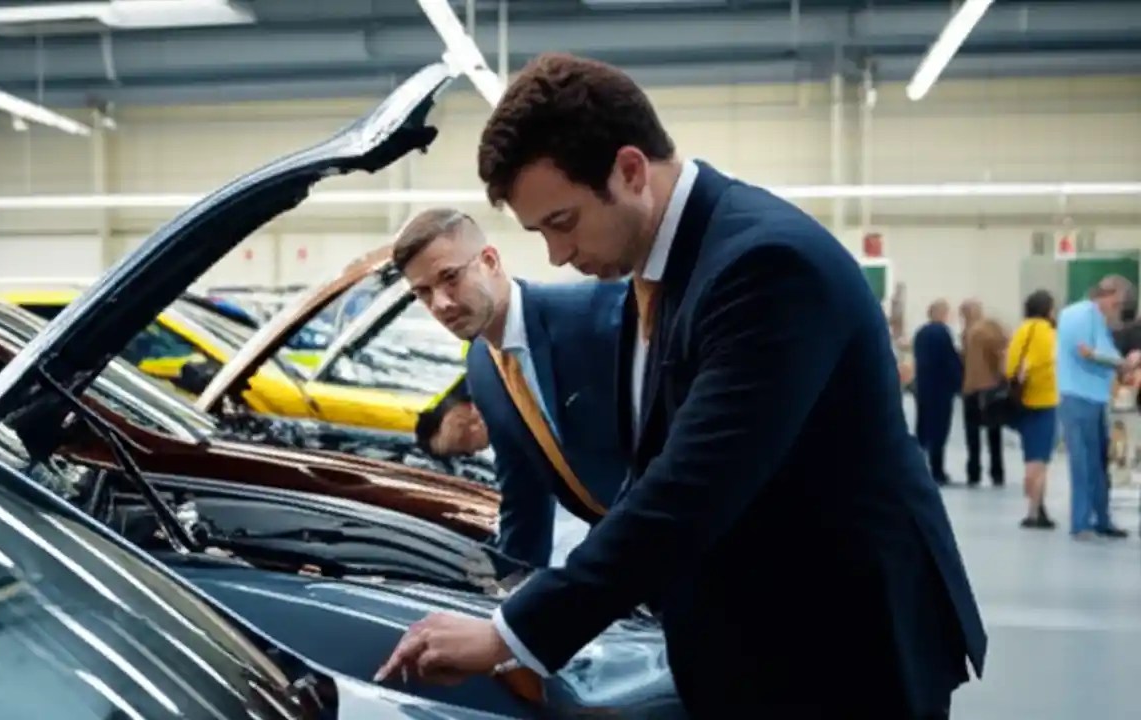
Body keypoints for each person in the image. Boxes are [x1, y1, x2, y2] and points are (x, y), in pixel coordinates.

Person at [376, 52, 985, 719]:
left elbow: (692, 484)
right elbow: (652, 466)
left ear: (631, 171)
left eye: (564, 222)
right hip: (754, 631)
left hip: (839, 647)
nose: (555, 256)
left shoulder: (762, 267)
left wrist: (511, 634)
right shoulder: (665, 272)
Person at [392, 207, 629, 568]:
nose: (439, 303)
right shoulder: (482, 365)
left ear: (490, 261)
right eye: (423, 292)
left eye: (450, 278)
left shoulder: (594, 313)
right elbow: (524, 496)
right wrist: (507, 589)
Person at [1055, 275, 1140, 540]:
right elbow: (1087, 352)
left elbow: (1102, 351)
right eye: (1118, 303)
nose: (1118, 310)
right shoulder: (1079, 315)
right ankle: (1081, 523)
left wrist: (1121, 365)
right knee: (1082, 463)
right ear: (1108, 293)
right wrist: (1124, 364)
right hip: (1077, 397)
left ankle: (1101, 518)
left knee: (1099, 463)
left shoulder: (1096, 318)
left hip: (1095, 397)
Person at [1006, 290, 1058, 529]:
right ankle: (1033, 512)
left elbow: (1011, 366)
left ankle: (1038, 507)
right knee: (1040, 460)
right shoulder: (1046, 332)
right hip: (1044, 400)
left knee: (1030, 456)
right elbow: (1035, 361)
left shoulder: (1022, 329)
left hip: (1022, 401)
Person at [914, 300, 963, 484]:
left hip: (924, 388)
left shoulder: (921, 333)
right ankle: (937, 471)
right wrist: (959, 383)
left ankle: (918, 469)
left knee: (924, 429)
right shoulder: (942, 333)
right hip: (941, 390)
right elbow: (950, 362)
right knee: (939, 431)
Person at [959, 299, 1007, 487]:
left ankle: (974, 473)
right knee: (993, 433)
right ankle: (996, 473)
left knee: (973, 434)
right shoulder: (990, 328)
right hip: (990, 386)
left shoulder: (973, 332)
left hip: (972, 388)